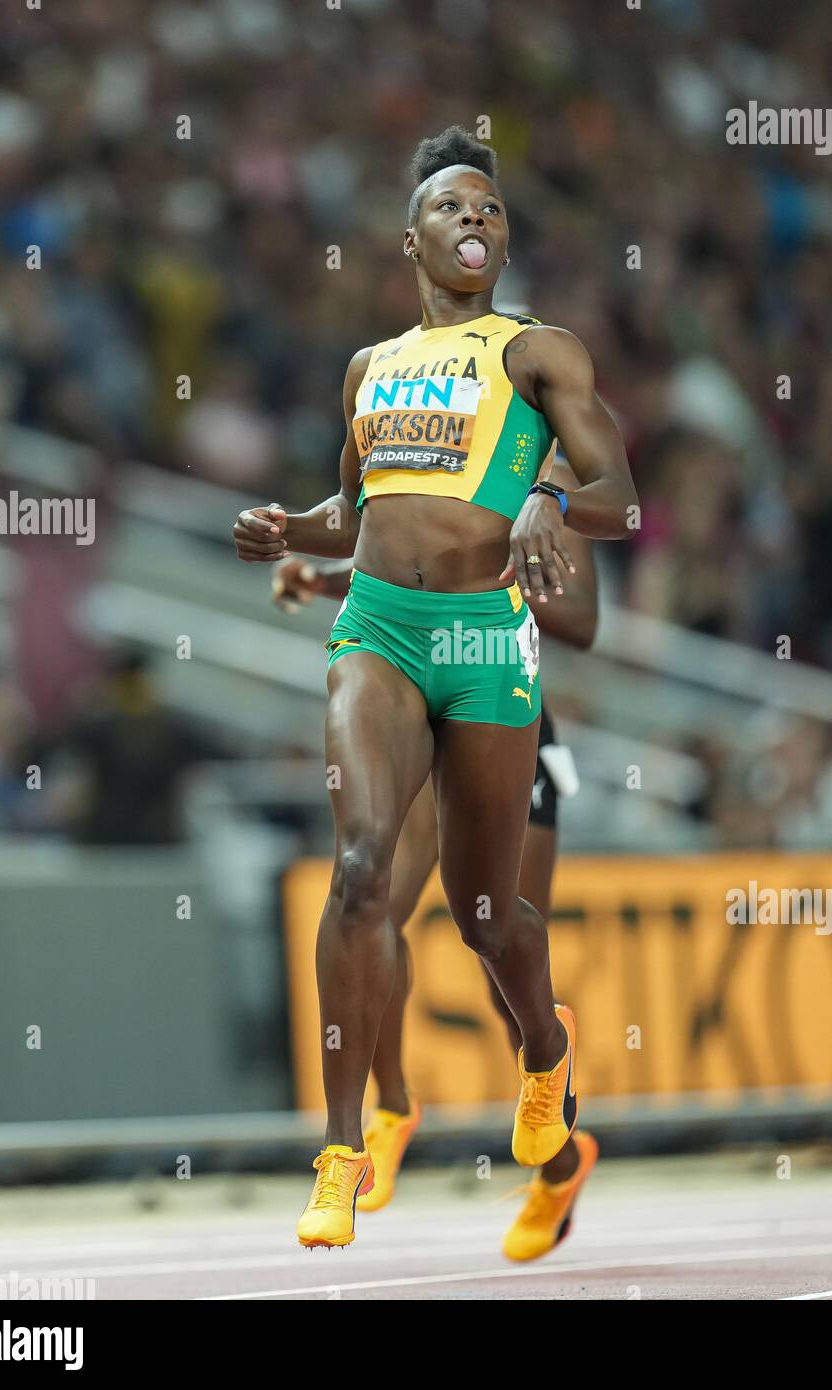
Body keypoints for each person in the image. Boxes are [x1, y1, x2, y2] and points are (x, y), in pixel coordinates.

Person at [233, 126, 637, 1249]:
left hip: (486, 647)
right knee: (360, 875)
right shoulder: (370, 367)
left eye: (494, 211)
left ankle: (545, 1060)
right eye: (455, 209)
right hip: (381, 632)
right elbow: (353, 517)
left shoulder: (538, 352)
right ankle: (343, 1147)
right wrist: (289, 536)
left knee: (485, 916)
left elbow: (620, 490)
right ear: (408, 235)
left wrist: (552, 498)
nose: (477, 222)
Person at [273, 454, 600, 1261]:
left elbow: (583, 621)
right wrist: (323, 578)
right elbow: (388, 557)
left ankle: (559, 1161)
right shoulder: (425, 457)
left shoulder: (544, 483)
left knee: (494, 950)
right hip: (416, 696)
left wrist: (512, 557)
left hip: (499, 707)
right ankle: (388, 1110)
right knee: (369, 894)